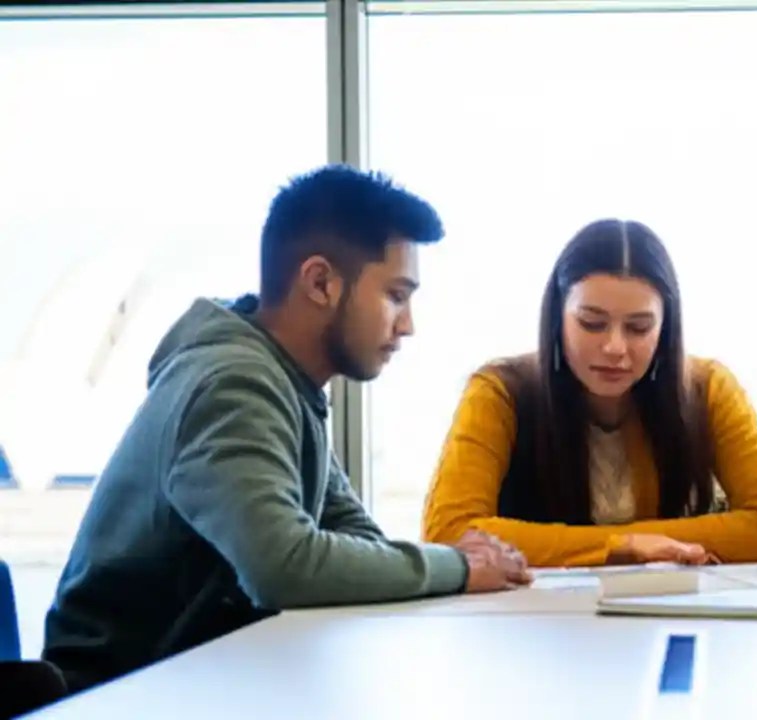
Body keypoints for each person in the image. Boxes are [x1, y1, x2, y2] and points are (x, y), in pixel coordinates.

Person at [42, 165, 530, 695]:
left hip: (207, 681)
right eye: (396, 295)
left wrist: (450, 566)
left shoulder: (287, 385)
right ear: (320, 282)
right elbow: (286, 565)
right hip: (120, 695)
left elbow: (354, 540)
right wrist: (457, 566)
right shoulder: (233, 385)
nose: (407, 323)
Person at [421, 218, 757, 567]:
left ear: (665, 329)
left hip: (668, 613)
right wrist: (622, 547)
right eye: (592, 324)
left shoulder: (706, 386)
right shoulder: (500, 391)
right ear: (558, 318)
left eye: (639, 328)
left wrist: (631, 541)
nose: (615, 347)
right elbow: (450, 533)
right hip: (534, 623)